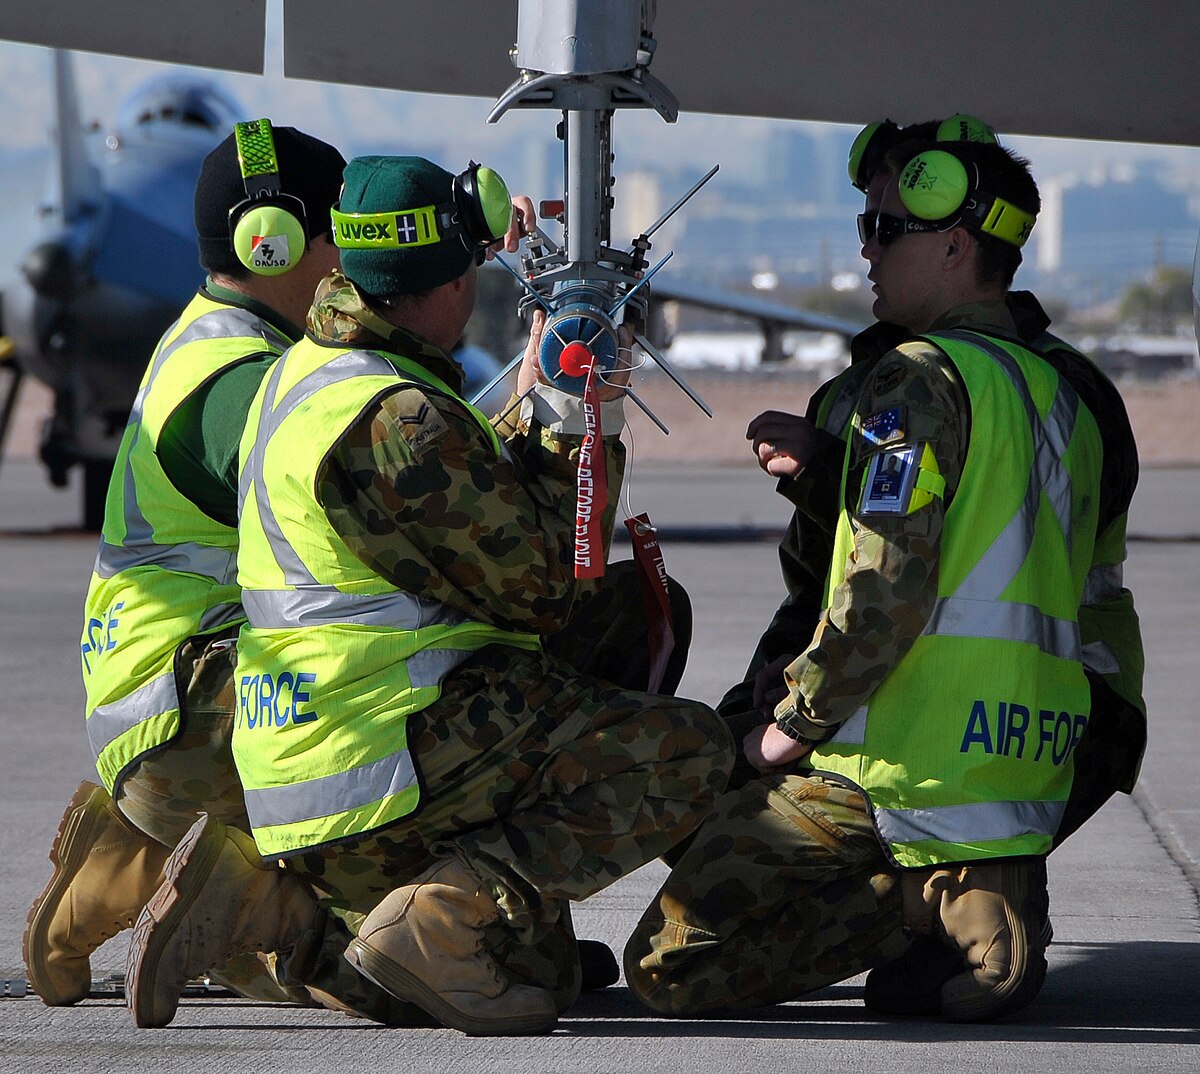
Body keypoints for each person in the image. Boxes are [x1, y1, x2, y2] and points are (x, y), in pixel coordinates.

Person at [123, 154, 734, 1036]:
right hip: (382, 757)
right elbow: (541, 589)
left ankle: (268, 900)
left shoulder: (313, 372)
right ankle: (440, 914)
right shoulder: (394, 416)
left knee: (543, 971)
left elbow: (452, 506)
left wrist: (527, 409)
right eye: (468, 274)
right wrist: (572, 422)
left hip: (302, 766)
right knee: (686, 752)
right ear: (439, 281)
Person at [625, 137, 1105, 1023]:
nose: (867, 249)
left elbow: (882, 595)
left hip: (895, 768)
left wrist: (789, 725)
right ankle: (981, 893)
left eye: (885, 229)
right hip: (1022, 767)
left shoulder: (916, 380)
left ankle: (924, 905)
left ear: (956, 248)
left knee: (667, 959)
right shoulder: (1061, 397)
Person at [22, 120, 350, 1009]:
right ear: (275, 243)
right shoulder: (242, 380)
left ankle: (122, 861)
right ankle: (243, 903)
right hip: (197, 713)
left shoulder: (211, 339)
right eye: (344, 230)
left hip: (154, 708)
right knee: (387, 946)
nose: (354, 254)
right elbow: (379, 509)